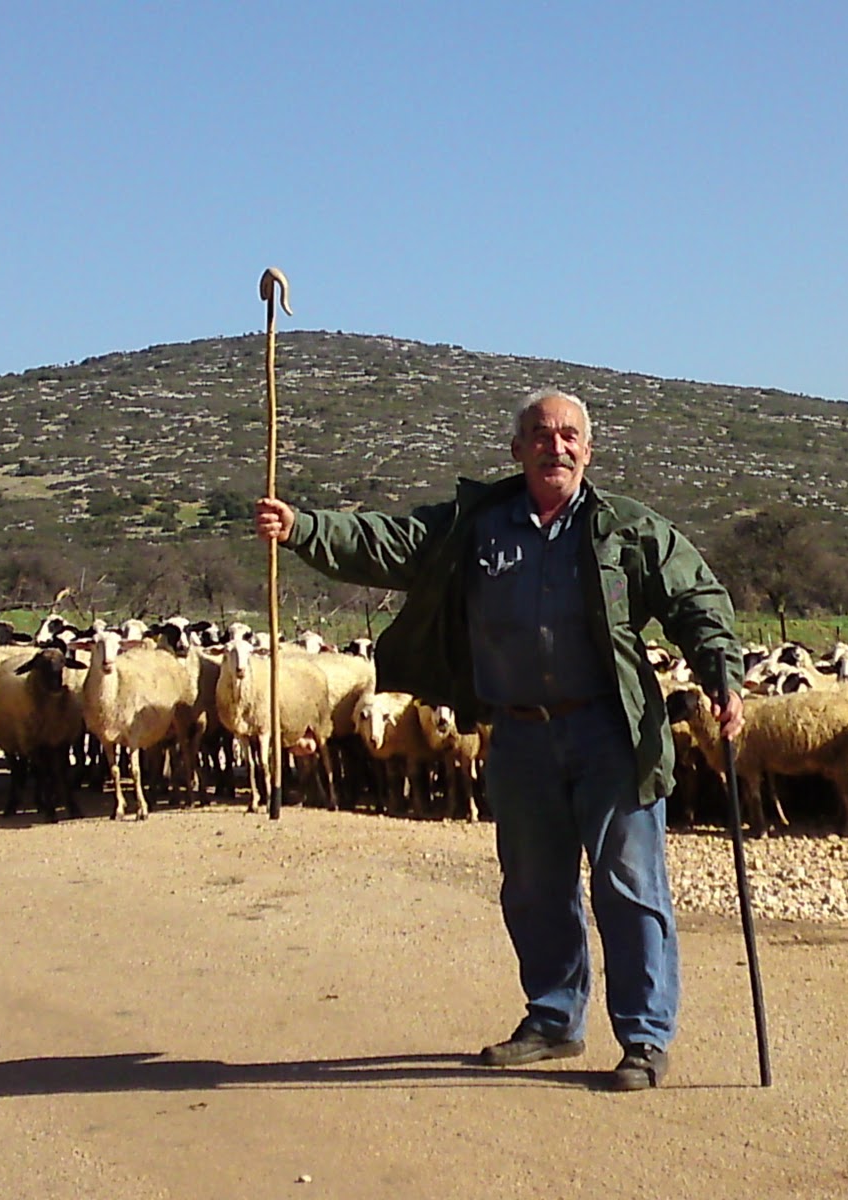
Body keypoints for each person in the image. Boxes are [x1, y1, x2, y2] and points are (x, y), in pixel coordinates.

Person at [255, 386, 744, 1091]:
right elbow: (391, 543)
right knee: (534, 887)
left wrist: (722, 674)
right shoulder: (476, 525)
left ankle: (644, 1037)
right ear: (517, 450)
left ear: (589, 449)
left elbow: (696, 599)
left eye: (570, 435)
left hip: (611, 729)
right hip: (517, 734)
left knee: (631, 888)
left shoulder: (625, 529)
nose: (557, 446)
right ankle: (553, 1019)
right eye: (541, 435)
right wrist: (302, 526)